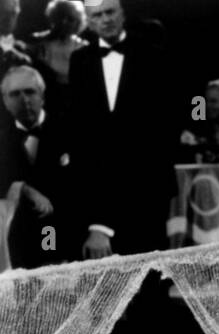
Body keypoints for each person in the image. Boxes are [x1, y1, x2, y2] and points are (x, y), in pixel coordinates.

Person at [66, 0, 172, 257]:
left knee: (150, 272)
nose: (105, 19)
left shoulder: (153, 55)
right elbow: (80, 128)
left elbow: (170, 118)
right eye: (97, 15)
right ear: (89, 23)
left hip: (147, 182)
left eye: (110, 12)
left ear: (122, 14)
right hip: (99, 180)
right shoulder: (79, 61)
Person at [0, 64, 72, 267]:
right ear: (5, 101)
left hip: (65, 237)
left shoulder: (70, 131)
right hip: (17, 248)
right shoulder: (3, 140)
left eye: (30, 92)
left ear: (42, 95)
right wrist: (24, 189)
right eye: (15, 94)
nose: (24, 100)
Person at [24, 0, 87, 104]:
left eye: (70, 19)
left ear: (78, 22)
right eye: (60, 16)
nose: (64, 22)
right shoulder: (38, 44)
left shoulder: (83, 47)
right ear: (53, 18)